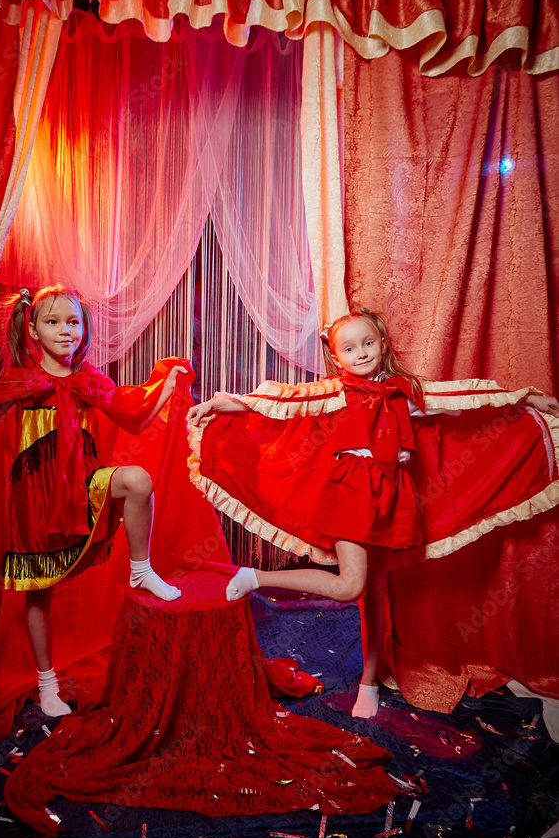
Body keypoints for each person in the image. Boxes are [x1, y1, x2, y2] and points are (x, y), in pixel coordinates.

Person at [187, 308, 559, 720]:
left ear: (382, 345)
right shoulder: (334, 391)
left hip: (393, 495)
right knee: (349, 585)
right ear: (336, 357)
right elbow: (284, 401)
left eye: (368, 343)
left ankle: (368, 683)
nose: (361, 353)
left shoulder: (407, 392)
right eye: (350, 348)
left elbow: (461, 399)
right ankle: (254, 577)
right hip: (348, 492)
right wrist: (227, 402)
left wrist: (523, 398)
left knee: (374, 594)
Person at [0, 285, 187, 717]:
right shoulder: (19, 384)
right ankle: (48, 686)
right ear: (32, 329)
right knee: (39, 594)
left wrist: (169, 385)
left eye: (73, 322)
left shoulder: (90, 383)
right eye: (53, 322)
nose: (65, 331)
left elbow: (135, 414)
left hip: (84, 493)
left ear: (84, 330)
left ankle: (141, 571)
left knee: (138, 481)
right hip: (34, 506)